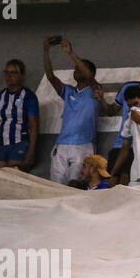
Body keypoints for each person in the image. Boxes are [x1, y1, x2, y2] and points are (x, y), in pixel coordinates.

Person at [42, 36, 117, 184]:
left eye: (80, 67)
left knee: (76, 185)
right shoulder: (68, 91)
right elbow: (50, 76)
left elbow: (88, 76)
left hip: (83, 145)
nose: (76, 69)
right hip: (61, 145)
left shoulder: (95, 89)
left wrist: (70, 53)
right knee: (56, 187)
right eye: (75, 68)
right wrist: (46, 51)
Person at [0, 59, 39, 170]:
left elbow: (34, 126)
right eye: (6, 72)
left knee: (13, 178)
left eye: (13, 73)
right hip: (0, 144)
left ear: (22, 75)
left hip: (19, 143)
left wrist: (31, 151)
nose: (9, 76)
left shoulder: (29, 96)